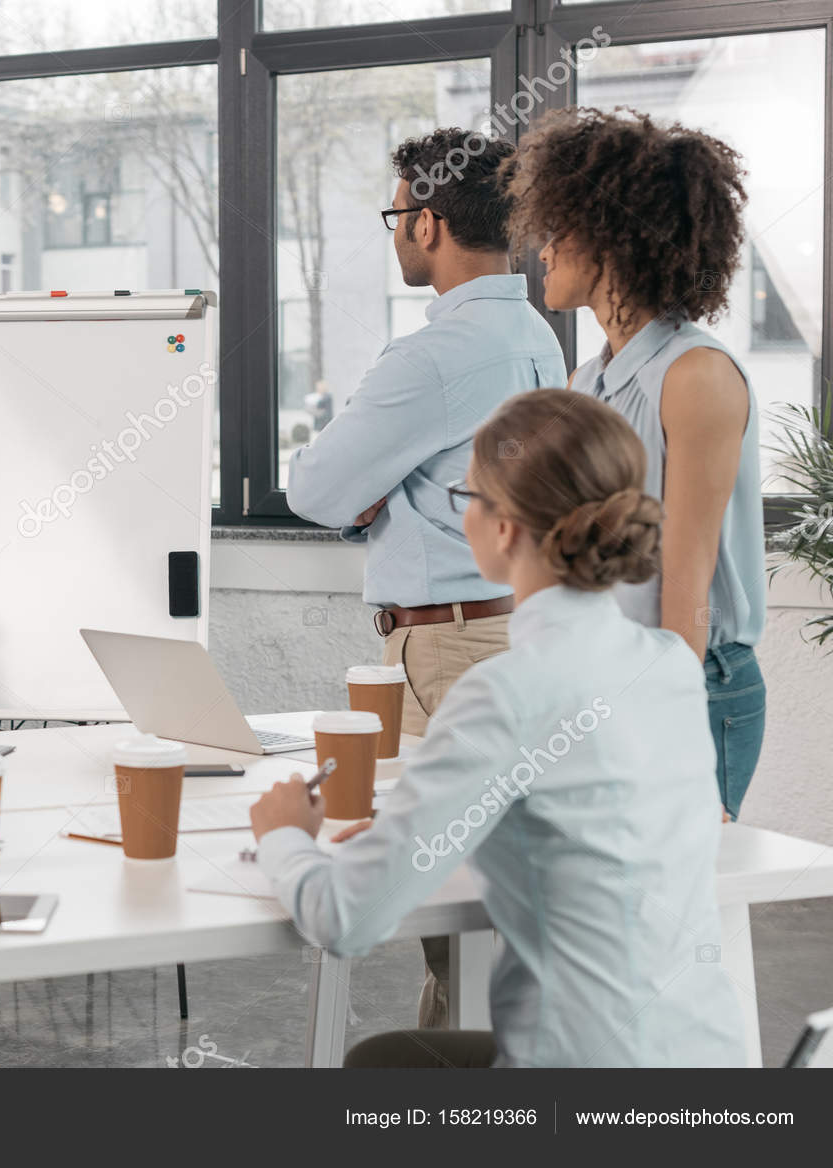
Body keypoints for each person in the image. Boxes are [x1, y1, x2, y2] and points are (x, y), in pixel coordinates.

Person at [252, 390, 746, 1068]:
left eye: (467, 496)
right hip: (708, 1063)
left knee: (382, 1062)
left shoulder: (506, 691)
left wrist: (283, 835)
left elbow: (345, 920)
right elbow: (592, 824)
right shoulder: (668, 663)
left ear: (505, 527)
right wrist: (429, 827)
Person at [285, 128, 567, 1027]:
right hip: (512, 626)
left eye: (397, 214)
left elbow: (315, 490)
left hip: (447, 647)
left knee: (447, 901)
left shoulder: (430, 357)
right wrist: (392, 489)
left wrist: (375, 494)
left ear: (430, 223)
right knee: (495, 898)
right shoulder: (537, 335)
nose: (397, 233)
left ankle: (459, 1078)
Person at [502, 107, 766, 821]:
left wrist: (666, 731)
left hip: (692, 681)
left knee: (675, 882)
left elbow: (688, 579)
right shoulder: (585, 382)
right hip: (608, 672)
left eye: (557, 230)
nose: (543, 251)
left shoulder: (695, 376)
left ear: (607, 235)